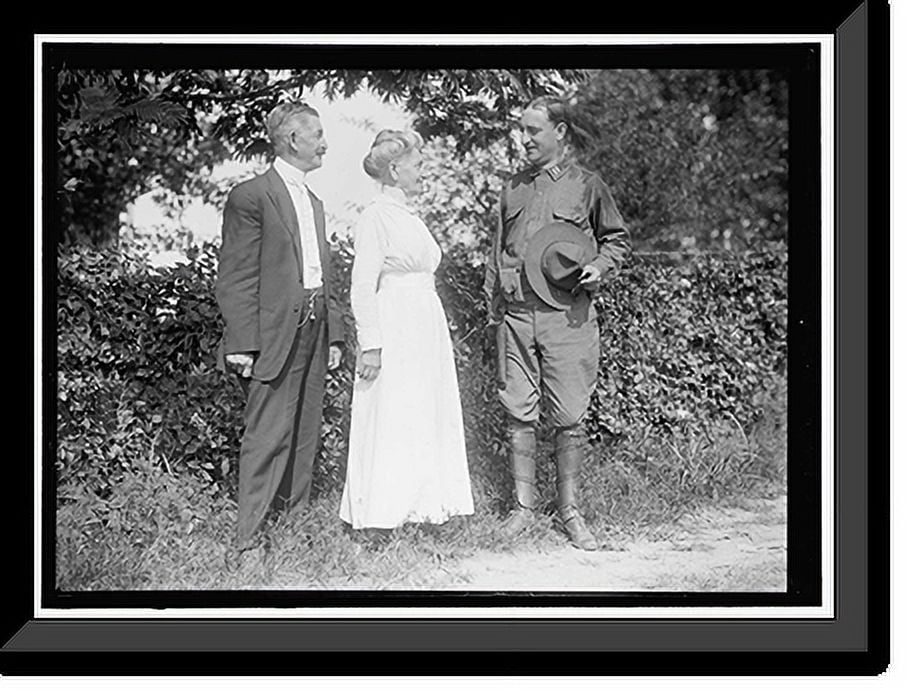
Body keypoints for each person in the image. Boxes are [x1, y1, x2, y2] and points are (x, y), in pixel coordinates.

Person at [483, 95, 630, 551]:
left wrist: (600, 268)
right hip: (517, 316)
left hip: (567, 317)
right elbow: (497, 253)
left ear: (560, 132)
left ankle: (570, 512)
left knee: (569, 414)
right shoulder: (512, 187)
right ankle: (523, 510)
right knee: (517, 409)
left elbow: (617, 240)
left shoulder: (588, 186)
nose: (523, 139)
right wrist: (495, 311)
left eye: (533, 131)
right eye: (521, 130)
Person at [215, 101, 344, 560]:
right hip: (272, 333)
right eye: (319, 135)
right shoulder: (251, 196)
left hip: (315, 326)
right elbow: (236, 276)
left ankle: (293, 534)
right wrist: (242, 344)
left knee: (305, 432)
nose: (325, 144)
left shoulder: (314, 201)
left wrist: (335, 335)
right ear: (294, 139)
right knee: (267, 435)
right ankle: (247, 541)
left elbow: (322, 271)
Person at [339, 130, 475, 530]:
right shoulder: (376, 216)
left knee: (422, 410)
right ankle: (384, 513)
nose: (422, 172)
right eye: (417, 165)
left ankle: (424, 508)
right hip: (395, 321)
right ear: (395, 170)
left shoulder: (408, 215)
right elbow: (362, 285)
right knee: (394, 412)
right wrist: (372, 344)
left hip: (423, 323)